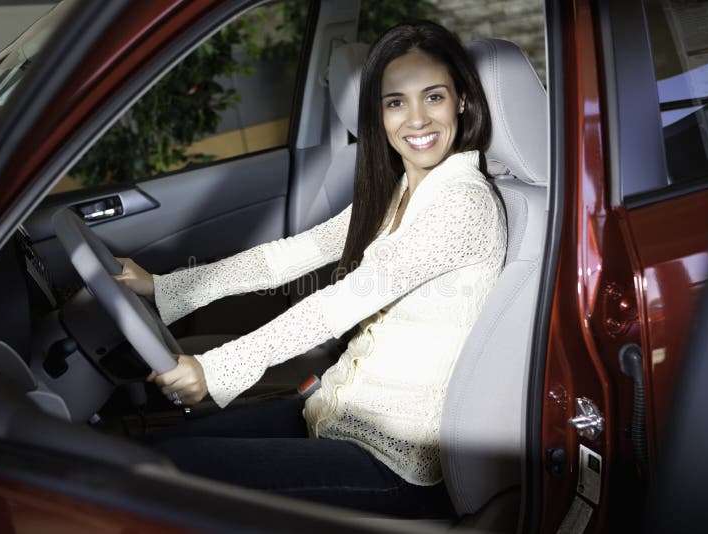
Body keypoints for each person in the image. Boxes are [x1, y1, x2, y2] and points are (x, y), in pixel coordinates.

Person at [116, 21, 506, 519]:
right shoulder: (399, 193)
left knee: (165, 471)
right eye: (395, 102)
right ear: (378, 116)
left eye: (433, 97)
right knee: (158, 450)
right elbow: (289, 256)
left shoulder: (462, 204)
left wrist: (213, 370)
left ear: (462, 102)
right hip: (333, 414)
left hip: (394, 465)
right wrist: (165, 287)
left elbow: (336, 306)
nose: (415, 119)